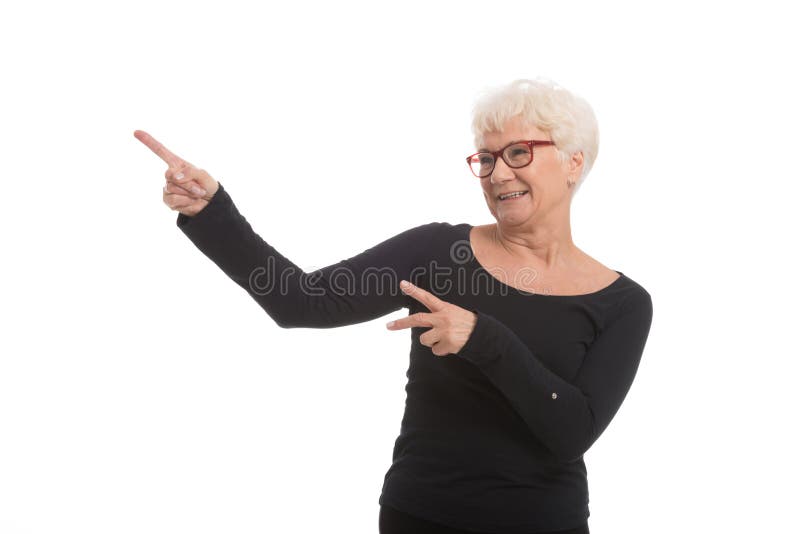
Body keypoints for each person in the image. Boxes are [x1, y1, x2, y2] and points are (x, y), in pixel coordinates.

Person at [133, 77, 653, 534]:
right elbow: (302, 301)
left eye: (519, 153)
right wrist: (212, 212)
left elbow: (571, 433)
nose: (497, 175)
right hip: (422, 517)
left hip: (546, 524)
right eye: (488, 158)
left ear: (572, 162)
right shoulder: (438, 252)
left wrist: (482, 338)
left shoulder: (622, 303)